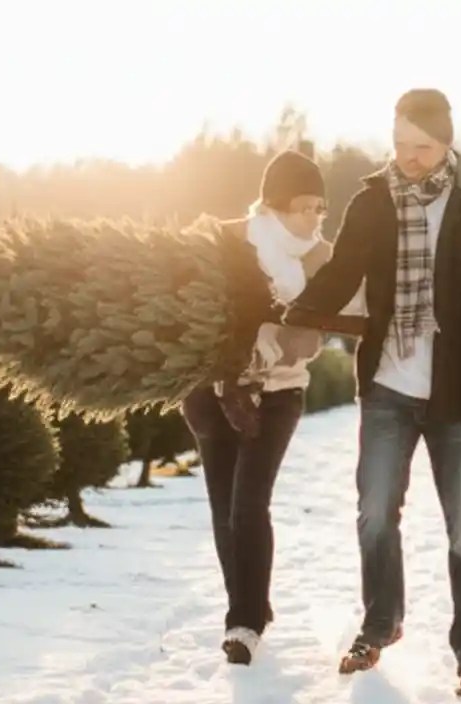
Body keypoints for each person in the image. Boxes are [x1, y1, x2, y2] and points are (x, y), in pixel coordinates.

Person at [283, 88, 461, 696]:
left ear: (446, 143)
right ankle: (380, 622)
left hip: (460, 395)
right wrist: (292, 313)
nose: (408, 158)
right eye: (399, 146)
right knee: (375, 514)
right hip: (388, 388)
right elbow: (342, 271)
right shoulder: (373, 201)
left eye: (421, 148)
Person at [180, 149, 334, 665]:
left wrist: (265, 347)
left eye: (321, 208)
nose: (314, 218)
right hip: (212, 391)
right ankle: (247, 605)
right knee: (224, 508)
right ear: (274, 204)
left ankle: (243, 625)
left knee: (249, 503)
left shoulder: (320, 258)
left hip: (277, 393)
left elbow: (311, 337)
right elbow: (190, 304)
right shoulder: (226, 239)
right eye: (304, 207)